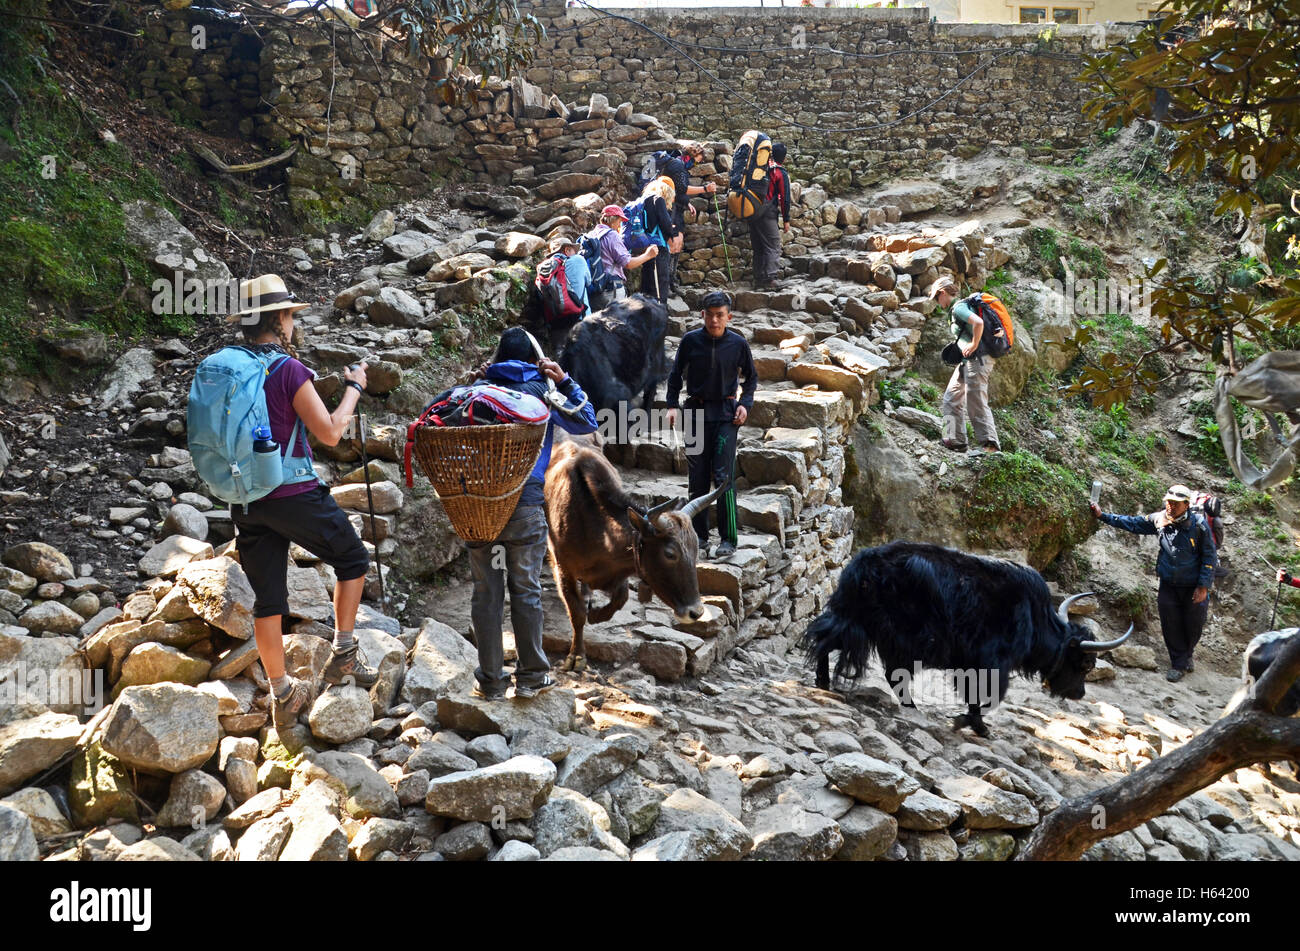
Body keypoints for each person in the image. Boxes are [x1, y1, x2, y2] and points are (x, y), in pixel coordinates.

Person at [226, 274, 375, 733]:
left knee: (268, 600)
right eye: (290, 314)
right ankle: (343, 657)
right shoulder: (288, 370)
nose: (293, 322)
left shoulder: (227, 366)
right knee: (352, 559)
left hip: (245, 497)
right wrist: (354, 388)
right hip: (291, 492)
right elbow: (329, 432)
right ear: (278, 319)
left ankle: (282, 693)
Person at [464, 327, 598, 699]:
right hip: (524, 504)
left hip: (477, 508)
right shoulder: (543, 392)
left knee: (486, 592)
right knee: (525, 588)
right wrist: (564, 379)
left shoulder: (475, 394)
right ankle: (532, 676)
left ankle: (490, 681)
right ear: (533, 360)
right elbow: (587, 421)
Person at [1091, 484, 1219, 682]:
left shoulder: (1199, 525)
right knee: (1171, 623)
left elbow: (1210, 557)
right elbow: (1132, 523)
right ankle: (1178, 663)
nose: (1171, 507)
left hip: (1194, 585)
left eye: (1176, 503)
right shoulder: (1159, 520)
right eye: (1168, 502)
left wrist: (1203, 586)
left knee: (1194, 624)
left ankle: (1187, 654)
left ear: (1186, 505)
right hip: (1169, 582)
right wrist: (1103, 516)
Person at [665, 290, 757, 559]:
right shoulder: (690, 341)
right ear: (702, 315)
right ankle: (700, 537)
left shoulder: (738, 344)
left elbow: (751, 378)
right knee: (698, 478)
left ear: (729, 316)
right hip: (695, 413)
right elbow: (675, 376)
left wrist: (745, 405)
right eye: (710, 315)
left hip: (726, 415)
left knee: (723, 476)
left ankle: (728, 539)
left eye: (720, 316)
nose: (715, 321)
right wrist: (672, 405)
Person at [932, 276, 1000, 453]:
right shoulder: (956, 309)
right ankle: (954, 440)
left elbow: (978, 322)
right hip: (966, 361)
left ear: (943, 293)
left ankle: (990, 446)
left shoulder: (958, 307)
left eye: (936, 298)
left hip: (977, 359)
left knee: (975, 399)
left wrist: (974, 344)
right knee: (950, 397)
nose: (936, 303)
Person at [661, 142, 718, 293]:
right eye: (699, 158)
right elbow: (682, 188)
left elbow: (678, 192)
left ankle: (671, 281)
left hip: (676, 208)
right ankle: (666, 284)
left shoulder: (680, 166)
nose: (699, 162)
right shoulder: (678, 166)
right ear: (693, 154)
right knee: (673, 244)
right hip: (669, 210)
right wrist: (706, 189)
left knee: (677, 244)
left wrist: (687, 203)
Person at [586, 204, 659, 311]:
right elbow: (628, 263)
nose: (620, 225)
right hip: (612, 291)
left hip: (594, 292)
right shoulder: (611, 235)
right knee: (616, 324)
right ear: (613, 220)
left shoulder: (591, 235)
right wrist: (648, 255)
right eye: (619, 221)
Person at [751, 142, 791, 289]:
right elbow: (785, 199)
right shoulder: (779, 172)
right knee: (773, 245)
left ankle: (758, 278)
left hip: (752, 211)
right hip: (767, 213)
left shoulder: (759, 168)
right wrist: (786, 220)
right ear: (784, 158)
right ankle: (770, 279)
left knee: (759, 246)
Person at [637, 177, 679, 305]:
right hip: (659, 249)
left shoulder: (643, 200)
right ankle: (660, 316)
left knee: (648, 284)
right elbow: (665, 224)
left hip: (646, 247)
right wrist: (672, 232)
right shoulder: (658, 200)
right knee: (660, 285)